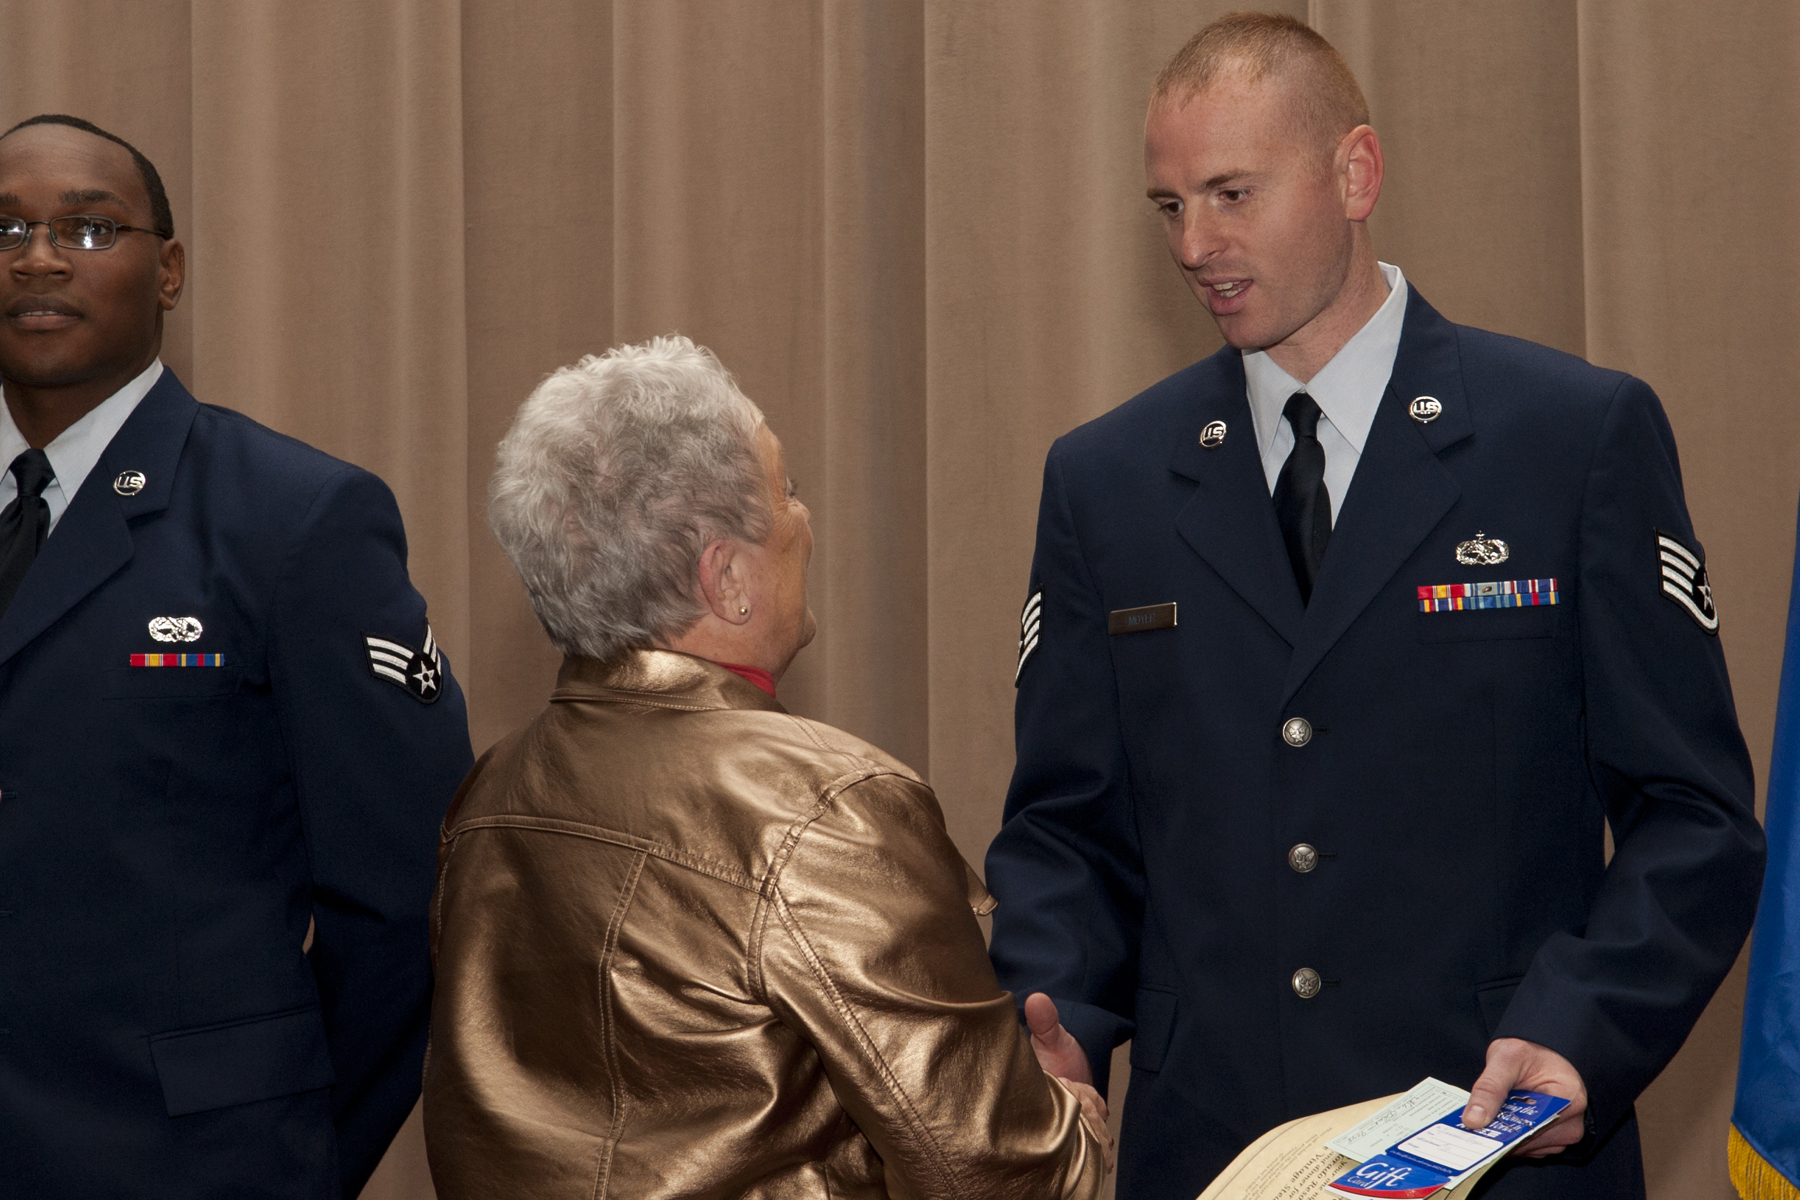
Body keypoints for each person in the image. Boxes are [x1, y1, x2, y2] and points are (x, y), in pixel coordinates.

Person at [985, 15, 1767, 1200]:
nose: (1197, 244)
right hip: (1217, 1157)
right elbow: (1068, 832)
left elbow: (1692, 813)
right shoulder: (1108, 480)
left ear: (1355, 173)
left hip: (1495, 1147)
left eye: (1233, 194)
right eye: (1169, 207)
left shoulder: (1567, 438)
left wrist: (1586, 1024)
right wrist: (1055, 1021)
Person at [423, 336, 1110, 1199]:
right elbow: (999, 1175)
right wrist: (1065, 1123)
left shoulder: (486, 798)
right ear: (727, 578)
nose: (802, 518)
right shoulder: (827, 809)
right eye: (785, 490)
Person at [0, 114, 472, 1197]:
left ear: (167, 271)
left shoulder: (295, 521)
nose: (35, 256)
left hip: (191, 1161)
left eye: (87, 229)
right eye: (7, 227)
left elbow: (405, 903)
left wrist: (293, 1153)